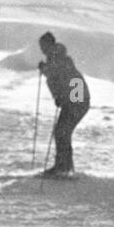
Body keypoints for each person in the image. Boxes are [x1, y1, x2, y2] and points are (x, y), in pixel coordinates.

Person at [38, 32, 90, 176]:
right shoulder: (55, 57)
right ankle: (65, 167)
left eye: (43, 45)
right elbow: (57, 79)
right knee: (62, 132)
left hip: (77, 98)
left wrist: (45, 69)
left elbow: (58, 73)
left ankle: (63, 167)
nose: (41, 49)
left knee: (62, 131)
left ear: (50, 44)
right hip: (77, 97)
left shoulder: (58, 57)